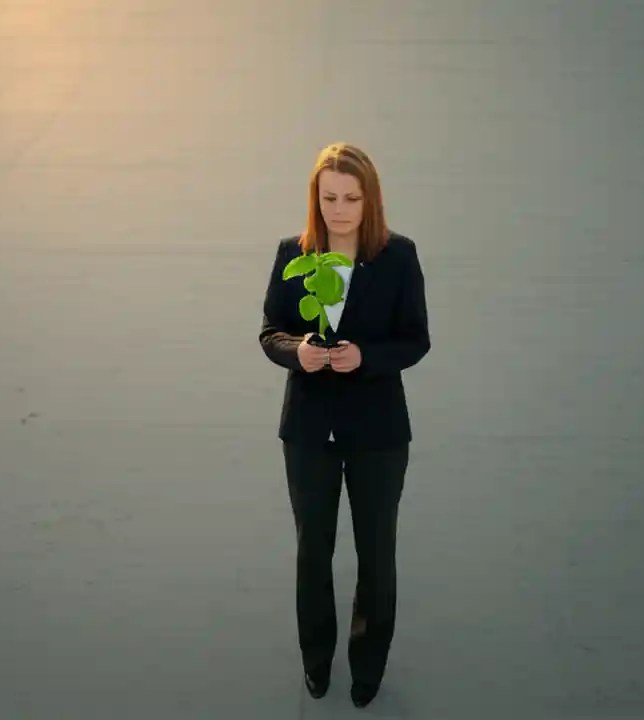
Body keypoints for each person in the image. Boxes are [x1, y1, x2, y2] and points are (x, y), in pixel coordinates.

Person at [258, 142, 430, 708]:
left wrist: (368, 358)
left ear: (369, 198)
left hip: (378, 433)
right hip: (308, 432)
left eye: (351, 198)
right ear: (316, 197)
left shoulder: (398, 256)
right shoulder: (293, 252)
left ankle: (367, 665)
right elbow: (271, 332)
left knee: (376, 553)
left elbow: (415, 338)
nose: (339, 209)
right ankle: (316, 659)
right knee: (314, 550)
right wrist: (297, 351)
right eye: (328, 197)